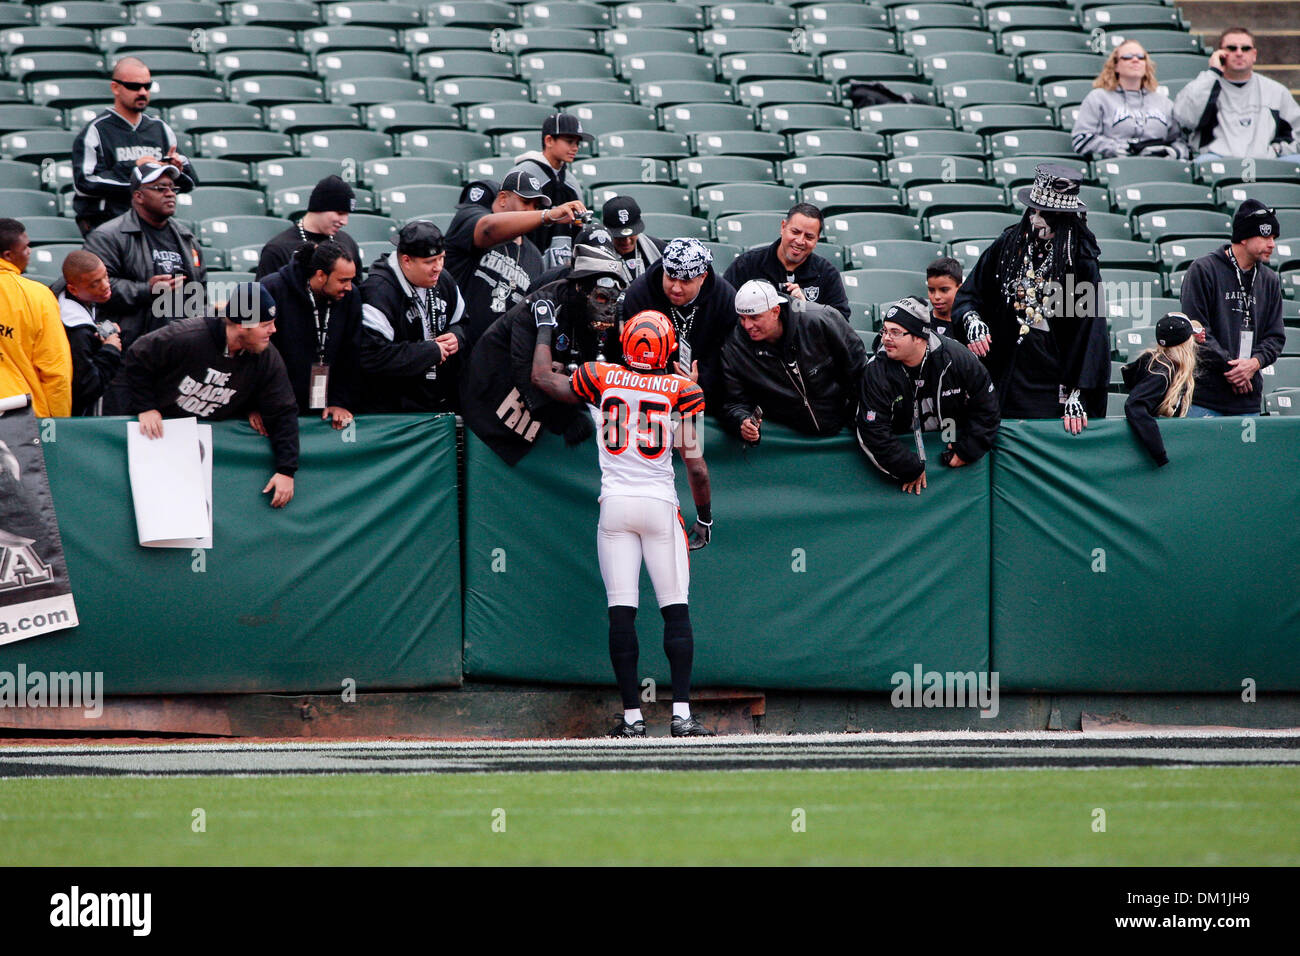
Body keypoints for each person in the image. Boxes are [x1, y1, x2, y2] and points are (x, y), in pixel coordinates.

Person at [529, 309, 716, 738]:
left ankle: (632, 718)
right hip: (658, 505)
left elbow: (543, 379)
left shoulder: (601, 376)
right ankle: (681, 716)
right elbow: (697, 467)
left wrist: (543, 325)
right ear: (668, 347)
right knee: (675, 609)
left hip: (614, 505)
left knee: (621, 613)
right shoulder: (683, 391)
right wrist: (704, 517)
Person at [951, 163, 1110, 431]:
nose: (1035, 218)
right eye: (1033, 210)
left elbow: (1090, 333)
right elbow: (971, 293)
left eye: (1044, 213)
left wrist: (1078, 392)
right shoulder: (1010, 244)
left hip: (1049, 376)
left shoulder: (1081, 261)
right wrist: (971, 319)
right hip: (1003, 366)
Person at [121, 282, 299, 508]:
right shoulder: (189, 336)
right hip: (158, 437)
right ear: (242, 325)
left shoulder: (265, 356)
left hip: (206, 447)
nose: (273, 330)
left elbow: (283, 409)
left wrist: (286, 470)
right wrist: (145, 406)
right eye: (266, 324)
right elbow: (137, 355)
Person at [460, 237, 630, 465]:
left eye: (613, 300)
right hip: (492, 395)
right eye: (601, 298)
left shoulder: (599, 316)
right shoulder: (540, 306)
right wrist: (561, 419)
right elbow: (526, 371)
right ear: (580, 288)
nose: (609, 310)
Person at [855, 299, 1000, 494]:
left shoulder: (956, 358)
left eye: (895, 332)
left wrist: (970, 448)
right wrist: (908, 467)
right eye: (884, 331)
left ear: (919, 337)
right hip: (898, 475)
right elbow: (872, 430)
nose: (886, 338)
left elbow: (987, 404)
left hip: (957, 467)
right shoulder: (876, 370)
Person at [445, 172, 582, 345]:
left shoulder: (534, 256)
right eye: (525, 202)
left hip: (493, 357)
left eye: (536, 206)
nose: (531, 210)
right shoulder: (471, 217)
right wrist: (547, 215)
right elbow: (487, 229)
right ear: (502, 198)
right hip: (455, 344)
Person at [720, 279, 866, 441]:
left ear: (775, 311)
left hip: (846, 426)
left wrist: (857, 416)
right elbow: (733, 402)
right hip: (788, 436)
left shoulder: (820, 319)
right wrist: (743, 421)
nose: (747, 325)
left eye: (754, 317)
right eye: (742, 318)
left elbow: (859, 370)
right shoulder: (735, 346)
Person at [83, 162, 207, 352]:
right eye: (160, 188)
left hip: (179, 348)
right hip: (131, 347)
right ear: (138, 196)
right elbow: (93, 289)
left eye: (173, 188)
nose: (170, 193)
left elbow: (200, 292)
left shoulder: (187, 238)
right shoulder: (108, 236)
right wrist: (146, 289)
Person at [1179, 199, 1285, 416]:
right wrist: (1233, 368)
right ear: (1244, 238)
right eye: (1265, 236)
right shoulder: (1203, 270)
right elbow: (1197, 330)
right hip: (1205, 398)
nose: (1272, 244)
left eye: (1274, 238)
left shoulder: (1269, 280)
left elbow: (1275, 337)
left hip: (1248, 398)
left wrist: (1253, 364)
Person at [70, 56, 198, 236]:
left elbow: (191, 182)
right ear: (115, 87)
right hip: (108, 226)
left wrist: (176, 169)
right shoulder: (96, 130)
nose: (142, 92)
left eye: (147, 86)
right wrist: (135, 170)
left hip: (153, 226)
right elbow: (84, 182)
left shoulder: (160, 129)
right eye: (134, 86)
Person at [358, 220, 466, 413]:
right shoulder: (378, 292)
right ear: (406, 260)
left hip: (437, 402)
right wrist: (428, 352)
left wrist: (457, 337)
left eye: (442, 258)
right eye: (429, 262)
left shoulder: (444, 280)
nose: (438, 267)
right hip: (393, 411)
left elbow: (462, 322)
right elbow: (371, 357)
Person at [620, 237, 737, 406]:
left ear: (702, 277)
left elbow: (727, 358)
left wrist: (696, 383)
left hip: (707, 392)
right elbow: (631, 354)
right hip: (648, 389)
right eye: (670, 278)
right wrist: (665, 381)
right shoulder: (640, 294)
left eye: (685, 281)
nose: (676, 288)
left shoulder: (724, 298)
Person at [261, 240, 362, 429]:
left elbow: (351, 353)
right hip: (275, 405)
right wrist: (257, 405)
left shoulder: (351, 296)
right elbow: (254, 352)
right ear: (321, 275)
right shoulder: (272, 288)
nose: (349, 287)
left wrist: (339, 401)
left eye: (351, 280)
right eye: (343, 281)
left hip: (324, 403)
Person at [1174, 27, 1300, 162]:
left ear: (1254, 55)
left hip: (1266, 162)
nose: (1239, 53)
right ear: (1220, 54)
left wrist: (1279, 149)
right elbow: (1186, 118)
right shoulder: (1206, 85)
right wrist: (1213, 72)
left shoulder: (1276, 91)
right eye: (1232, 48)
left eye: (1245, 48)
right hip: (1218, 162)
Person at [722, 203, 850, 322]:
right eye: (795, 232)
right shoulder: (747, 264)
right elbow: (723, 310)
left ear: (817, 240)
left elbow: (841, 323)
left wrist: (807, 308)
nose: (800, 241)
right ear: (783, 227)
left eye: (809, 237)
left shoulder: (827, 273)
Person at [0, 219, 72, 417]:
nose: (30, 251)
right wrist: (58, 425)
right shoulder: (37, 296)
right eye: (26, 247)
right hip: (17, 415)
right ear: (8, 255)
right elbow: (56, 370)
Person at [1071, 41, 1189, 161]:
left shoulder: (1164, 103)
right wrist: (1118, 149)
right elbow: (1081, 139)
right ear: (1115, 66)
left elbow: (1181, 141)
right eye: (1127, 57)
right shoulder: (1098, 98)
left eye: (1141, 57)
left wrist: (1173, 152)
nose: (1135, 60)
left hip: (1159, 166)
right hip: (1119, 168)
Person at [511, 112, 593, 269]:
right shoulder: (522, 174)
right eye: (569, 141)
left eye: (577, 143)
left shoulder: (572, 182)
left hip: (561, 269)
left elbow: (578, 228)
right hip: (522, 265)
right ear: (549, 140)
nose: (575, 148)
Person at [1123, 312, 1198, 465]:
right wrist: (1159, 452)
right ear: (1185, 344)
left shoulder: (1167, 366)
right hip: (1147, 460)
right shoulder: (1161, 374)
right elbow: (1134, 405)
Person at [255, 175, 362, 281]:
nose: (345, 222)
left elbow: (356, 292)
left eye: (347, 214)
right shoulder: (278, 249)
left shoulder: (347, 243)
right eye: (340, 213)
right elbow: (259, 295)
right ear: (320, 207)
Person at [57, 250, 121, 416]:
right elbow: (87, 389)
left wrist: (100, 329)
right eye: (95, 284)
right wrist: (110, 350)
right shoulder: (78, 332)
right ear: (73, 289)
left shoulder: (62, 293)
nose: (106, 285)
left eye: (106, 276)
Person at [601, 195, 665, 280]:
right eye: (619, 237)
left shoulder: (659, 250)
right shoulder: (598, 255)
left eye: (631, 235)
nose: (626, 241)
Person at [925, 257, 962, 337]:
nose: (937, 296)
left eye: (944, 290)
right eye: (931, 290)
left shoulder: (969, 325)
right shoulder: (922, 325)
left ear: (959, 289)